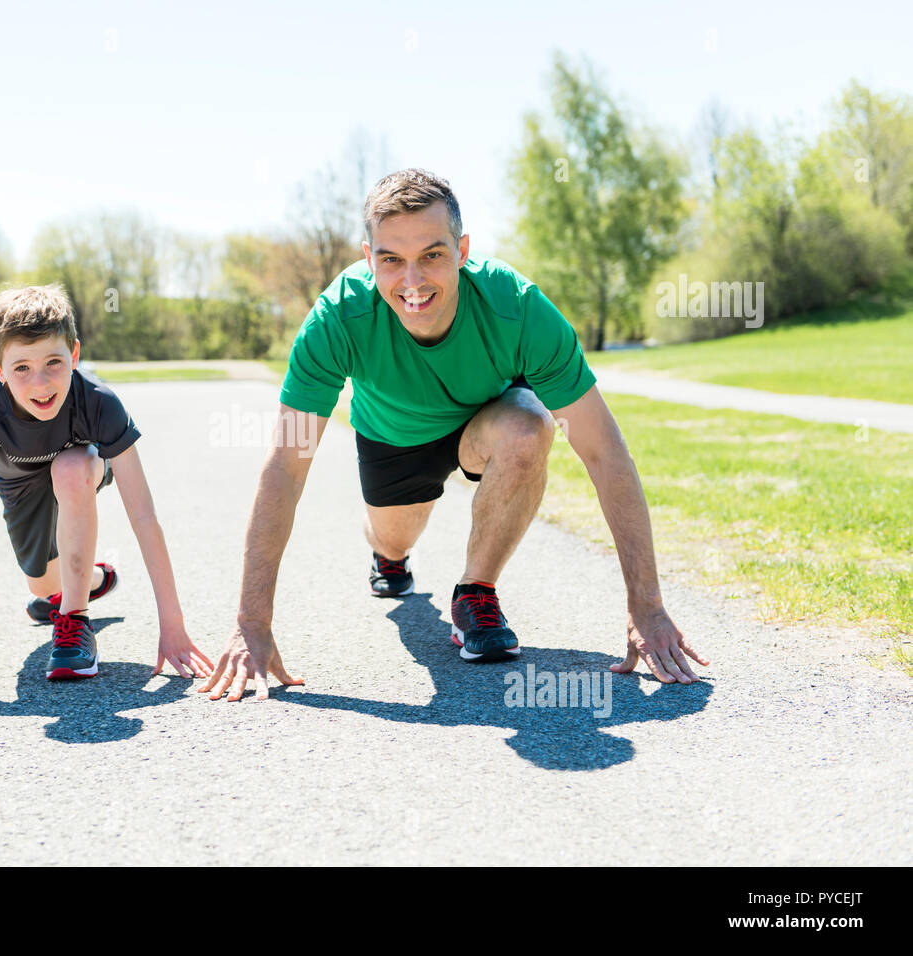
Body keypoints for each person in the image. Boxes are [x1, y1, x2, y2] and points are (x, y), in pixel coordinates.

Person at [201, 168, 709, 702]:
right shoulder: (335, 321)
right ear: (368, 256)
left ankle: (476, 592)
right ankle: (386, 554)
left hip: (483, 421)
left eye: (433, 255)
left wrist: (647, 606)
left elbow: (604, 451)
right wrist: (251, 622)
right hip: (393, 439)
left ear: (462, 250)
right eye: (391, 259)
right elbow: (285, 467)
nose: (413, 280)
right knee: (395, 537)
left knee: (529, 425)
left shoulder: (518, 308)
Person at [0, 285, 211, 696]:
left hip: (79, 464)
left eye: (54, 362)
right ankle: (87, 579)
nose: (41, 382)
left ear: (74, 355)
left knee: (70, 468)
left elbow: (143, 514)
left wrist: (173, 626)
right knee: (40, 586)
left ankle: (74, 620)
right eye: (21, 368)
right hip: (17, 482)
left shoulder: (99, 402)